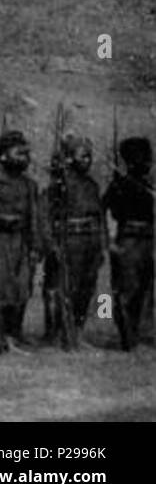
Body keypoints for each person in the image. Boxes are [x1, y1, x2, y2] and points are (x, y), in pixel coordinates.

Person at [0, 129, 42, 355]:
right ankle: (0, 338)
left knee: (22, 288)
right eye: (18, 153)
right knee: (0, 291)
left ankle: (14, 333)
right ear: (3, 156)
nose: (24, 158)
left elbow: (34, 215)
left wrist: (35, 246)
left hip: (21, 240)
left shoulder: (29, 184)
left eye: (26, 154)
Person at [44, 134, 104, 348]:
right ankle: (63, 334)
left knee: (87, 288)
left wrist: (102, 245)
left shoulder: (92, 186)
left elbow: (100, 217)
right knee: (68, 288)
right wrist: (52, 244)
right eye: (82, 156)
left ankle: (78, 332)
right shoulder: (59, 186)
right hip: (70, 240)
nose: (87, 160)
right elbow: (47, 216)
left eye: (89, 156)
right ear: (69, 158)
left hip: (91, 241)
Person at [101, 136, 154, 352]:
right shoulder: (118, 185)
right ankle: (127, 337)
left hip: (149, 241)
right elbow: (103, 212)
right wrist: (110, 242)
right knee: (127, 289)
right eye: (143, 159)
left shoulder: (148, 186)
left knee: (146, 288)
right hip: (128, 240)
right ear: (130, 161)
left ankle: (140, 333)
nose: (148, 164)